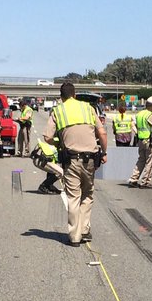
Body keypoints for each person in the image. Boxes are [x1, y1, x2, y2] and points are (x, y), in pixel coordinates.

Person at [41, 81, 107, 245]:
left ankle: (75, 237)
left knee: (73, 197)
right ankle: (85, 231)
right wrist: (104, 153)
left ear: (61, 97)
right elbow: (102, 132)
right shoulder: (88, 108)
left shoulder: (58, 111)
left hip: (71, 159)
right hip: (90, 159)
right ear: (75, 94)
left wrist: (59, 143)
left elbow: (47, 137)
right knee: (87, 194)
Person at [127, 96, 152, 189]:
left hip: (141, 140)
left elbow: (132, 124)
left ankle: (133, 179)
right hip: (149, 141)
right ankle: (145, 181)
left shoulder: (139, 114)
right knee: (150, 162)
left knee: (141, 160)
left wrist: (138, 133)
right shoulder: (149, 115)